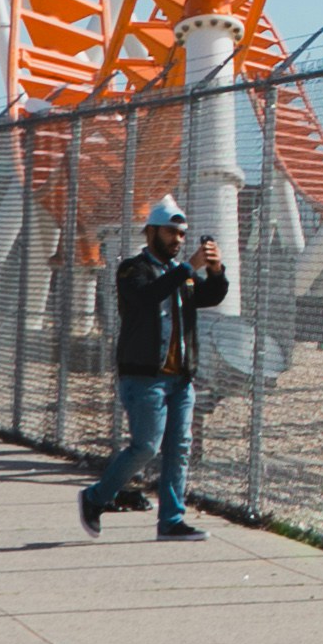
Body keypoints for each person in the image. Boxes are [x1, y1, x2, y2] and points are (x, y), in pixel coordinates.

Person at [80, 192, 229, 542]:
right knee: (146, 447)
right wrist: (188, 268)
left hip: (180, 378)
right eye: (170, 233)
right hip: (145, 377)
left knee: (178, 449)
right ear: (151, 232)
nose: (177, 240)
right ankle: (95, 497)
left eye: (181, 235)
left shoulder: (182, 275)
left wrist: (217, 270)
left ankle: (171, 521)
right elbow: (148, 298)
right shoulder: (133, 269)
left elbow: (211, 296)